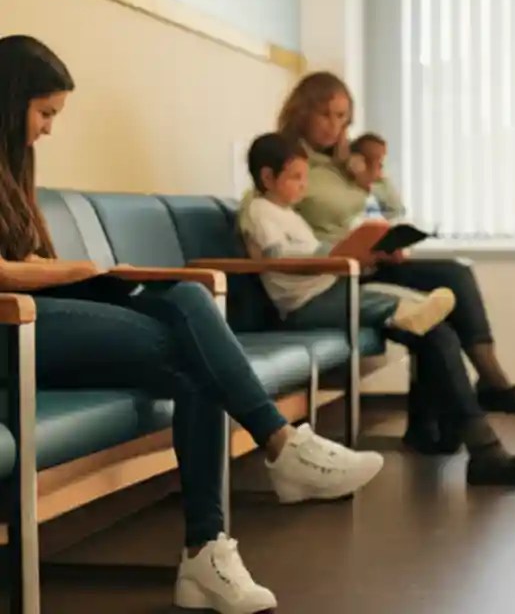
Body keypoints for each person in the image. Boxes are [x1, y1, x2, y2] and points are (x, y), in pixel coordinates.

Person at [0, 35, 386, 614]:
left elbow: (23, 257)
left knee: (183, 296)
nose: (49, 129)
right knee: (194, 353)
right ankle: (276, 457)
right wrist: (72, 271)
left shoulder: (12, 168)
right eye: (45, 113)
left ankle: (212, 546)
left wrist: (85, 272)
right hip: (16, 326)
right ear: (9, 102)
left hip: (46, 310)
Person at [238, 133, 515, 486]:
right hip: (304, 305)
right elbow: (279, 257)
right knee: (427, 323)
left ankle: (464, 441)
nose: (304, 186)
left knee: (438, 330)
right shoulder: (261, 211)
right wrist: (336, 254)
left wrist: (361, 253)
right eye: (296, 177)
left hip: (329, 286)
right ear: (267, 178)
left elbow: (312, 249)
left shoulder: (287, 213)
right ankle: (480, 446)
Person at [278, 73, 515, 422]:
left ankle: (489, 381)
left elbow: (394, 209)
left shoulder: (343, 165)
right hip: (334, 273)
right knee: (436, 315)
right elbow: (286, 227)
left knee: (456, 273)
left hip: (369, 261)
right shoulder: (293, 165)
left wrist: (371, 173)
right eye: (326, 115)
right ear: (303, 112)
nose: (335, 126)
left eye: (343, 117)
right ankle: (478, 399)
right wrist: (344, 248)